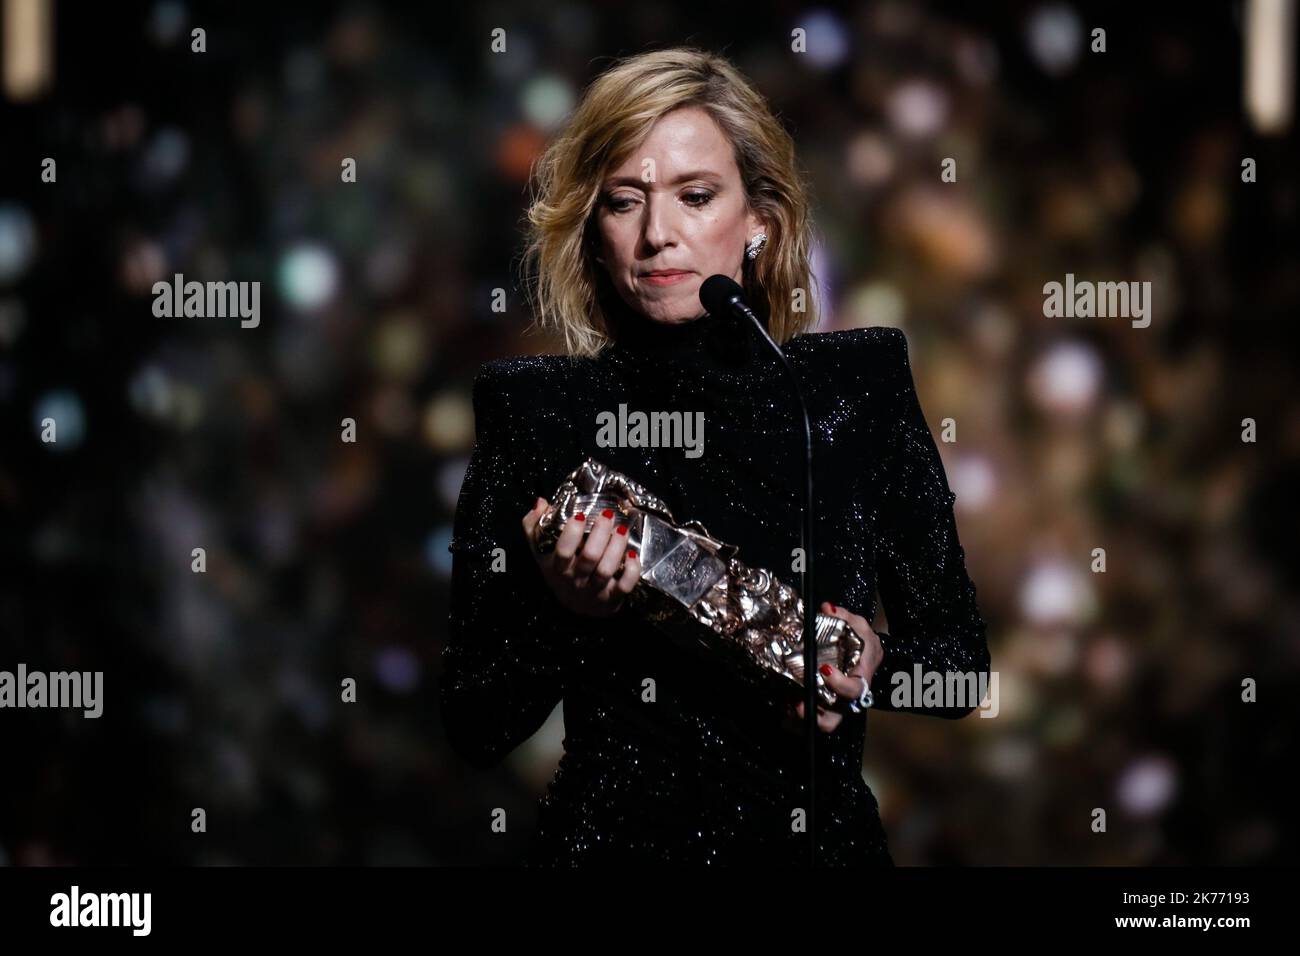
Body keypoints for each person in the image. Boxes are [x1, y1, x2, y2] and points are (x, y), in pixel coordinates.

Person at [439, 47, 990, 866]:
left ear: (759, 217)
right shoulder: (536, 414)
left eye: (696, 197)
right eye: (624, 202)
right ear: (592, 228)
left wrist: (875, 664)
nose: (659, 235)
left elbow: (961, 675)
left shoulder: (853, 389)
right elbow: (475, 725)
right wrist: (563, 610)